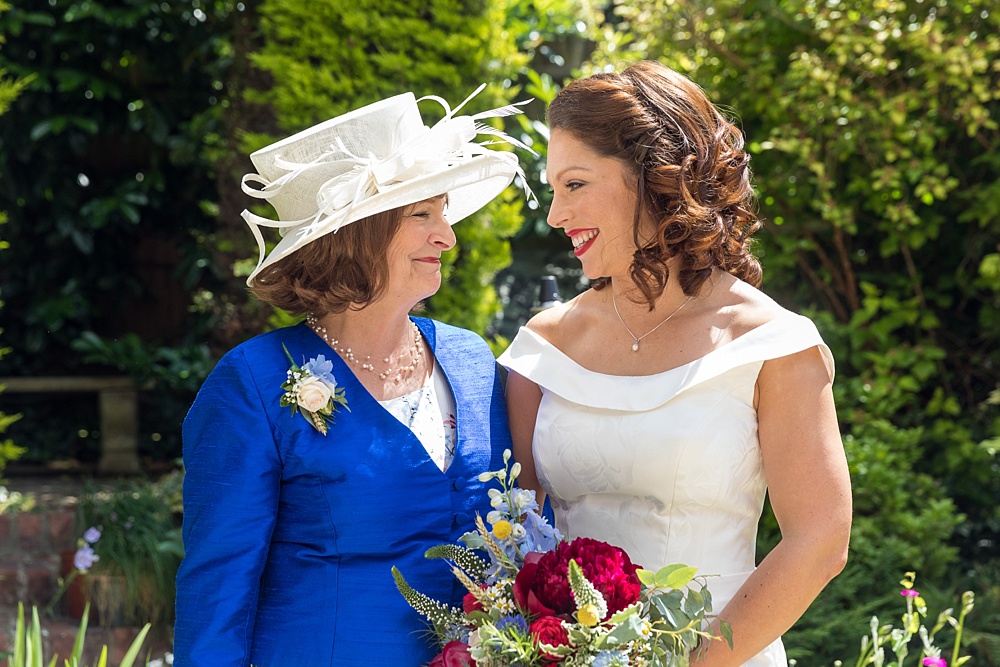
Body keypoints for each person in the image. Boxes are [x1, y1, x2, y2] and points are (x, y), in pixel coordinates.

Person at [499, 60, 852, 666]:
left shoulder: (772, 343)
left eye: (575, 185)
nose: (556, 214)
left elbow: (819, 543)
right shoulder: (543, 346)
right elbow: (520, 534)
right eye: (553, 189)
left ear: (654, 177)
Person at [174, 88, 530, 666]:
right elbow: (217, 595)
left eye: (444, 212)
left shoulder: (470, 360)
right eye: (423, 214)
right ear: (355, 233)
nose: (448, 235)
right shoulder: (253, 384)